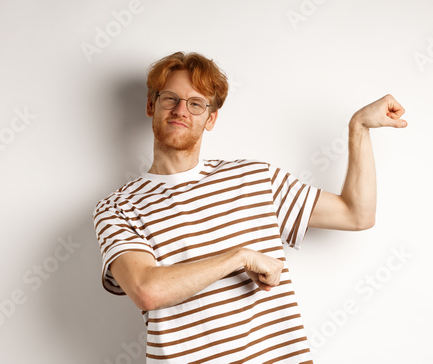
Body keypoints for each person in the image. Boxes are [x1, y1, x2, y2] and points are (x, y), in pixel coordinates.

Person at [92, 51, 407, 363]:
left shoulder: (254, 177)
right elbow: (147, 290)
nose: (181, 110)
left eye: (196, 103)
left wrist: (359, 127)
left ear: (211, 118)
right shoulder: (117, 207)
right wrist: (239, 256)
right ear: (151, 105)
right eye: (170, 98)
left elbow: (357, 214)